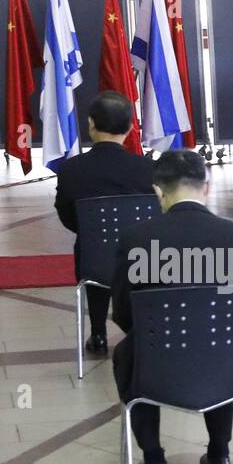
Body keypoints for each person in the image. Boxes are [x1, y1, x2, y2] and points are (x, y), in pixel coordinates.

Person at [111, 149, 233, 464]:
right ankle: (219, 456)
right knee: (223, 344)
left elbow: (122, 313)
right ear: (206, 187)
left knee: (131, 352)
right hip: (232, 365)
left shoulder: (137, 241)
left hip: (156, 366)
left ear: (158, 192)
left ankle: (154, 463)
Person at [52, 91, 155, 357]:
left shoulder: (72, 169)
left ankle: (98, 334)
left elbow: (66, 215)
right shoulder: (149, 169)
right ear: (131, 127)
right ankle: (143, 330)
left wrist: (93, 231)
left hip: (94, 261)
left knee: (93, 247)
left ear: (90, 124)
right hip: (145, 260)